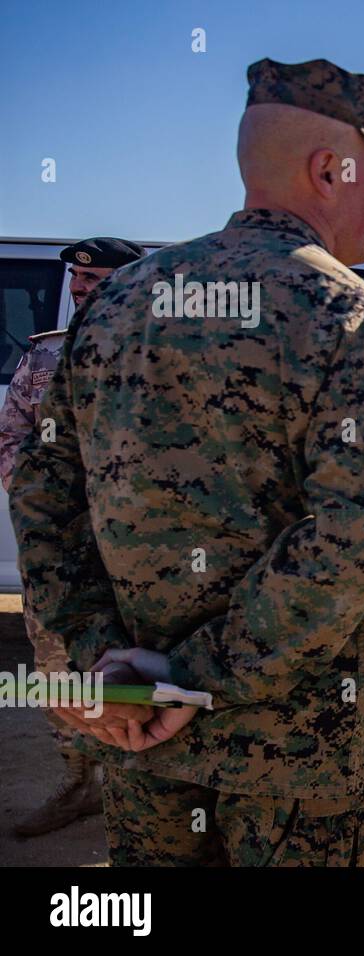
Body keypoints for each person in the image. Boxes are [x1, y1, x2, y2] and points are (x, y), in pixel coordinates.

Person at [8, 56, 364, 866]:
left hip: (142, 741)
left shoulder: (118, 305)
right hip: (302, 762)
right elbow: (346, 545)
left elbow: (43, 494)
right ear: (326, 169)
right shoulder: (355, 319)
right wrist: (191, 677)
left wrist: (110, 667)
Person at [3, 236, 144, 837]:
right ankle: (77, 780)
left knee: (134, 668)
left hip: (136, 555)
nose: (84, 291)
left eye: (99, 281)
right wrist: (47, 504)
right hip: (59, 553)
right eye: (79, 284)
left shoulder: (162, 356)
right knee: (59, 664)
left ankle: (138, 790)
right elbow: (10, 437)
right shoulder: (42, 360)